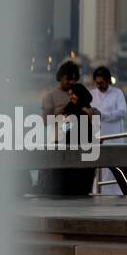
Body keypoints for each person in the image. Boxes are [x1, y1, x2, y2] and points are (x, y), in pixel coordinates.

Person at [37, 61, 79, 194]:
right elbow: (44, 121)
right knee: (52, 184)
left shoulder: (78, 95)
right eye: (68, 78)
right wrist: (60, 111)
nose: (71, 82)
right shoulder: (50, 96)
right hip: (55, 143)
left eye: (74, 79)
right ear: (61, 77)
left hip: (75, 143)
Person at [90, 66, 127, 195]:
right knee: (99, 166)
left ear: (107, 81)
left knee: (114, 167)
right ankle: (98, 191)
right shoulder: (92, 94)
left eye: (101, 83)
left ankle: (117, 193)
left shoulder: (117, 93)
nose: (99, 85)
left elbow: (123, 111)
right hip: (97, 136)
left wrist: (105, 115)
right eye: (97, 83)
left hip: (114, 136)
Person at [59, 82, 98, 196]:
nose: (71, 97)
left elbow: (95, 132)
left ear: (81, 94)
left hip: (85, 154)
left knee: (83, 189)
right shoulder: (67, 111)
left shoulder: (92, 111)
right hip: (69, 154)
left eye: (74, 94)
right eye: (69, 94)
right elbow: (63, 131)